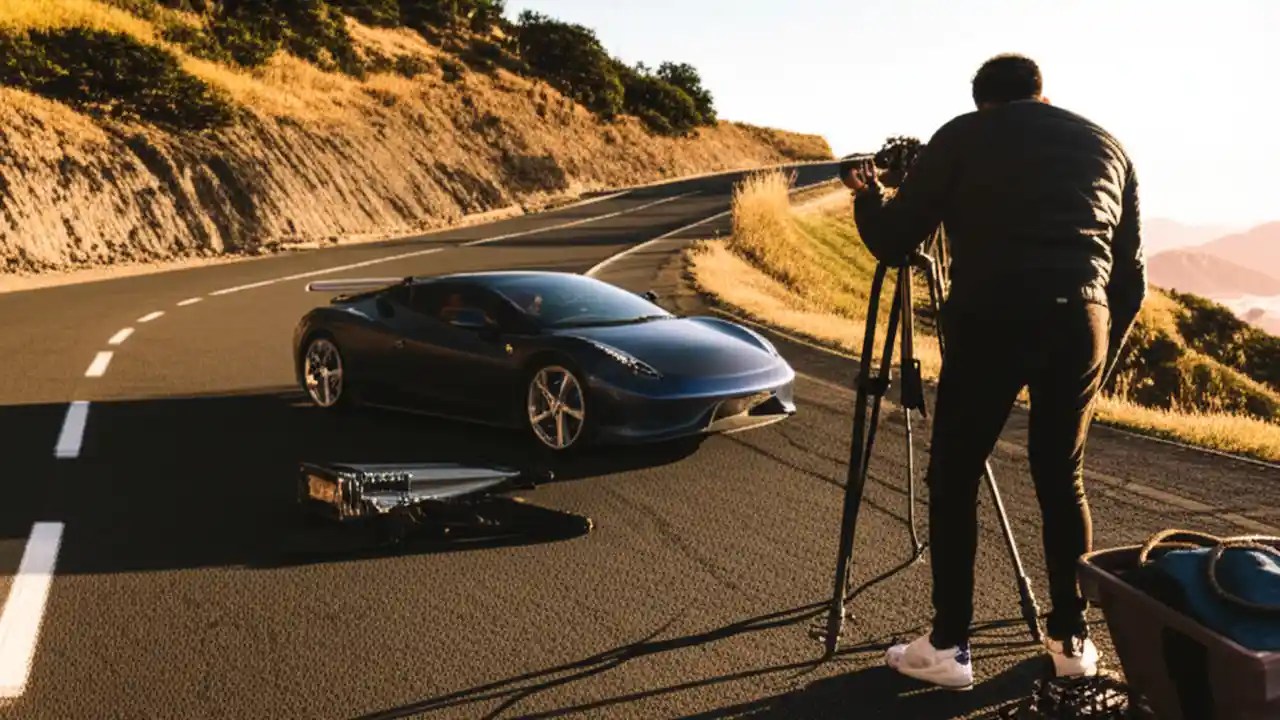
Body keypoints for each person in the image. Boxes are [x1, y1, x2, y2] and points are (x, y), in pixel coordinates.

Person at [841, 53, 1146, 690]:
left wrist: (869, 197)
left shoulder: (963, 133)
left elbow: (898, 240)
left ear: (985, 100)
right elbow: (1132, 280)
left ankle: (951, 646)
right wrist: (1099, 360)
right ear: (1040, 94)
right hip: (1082, 319)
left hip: (994, 315)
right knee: (1062, 477)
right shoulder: (1109, 147)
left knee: (954, 474)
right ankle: (1070, 640)